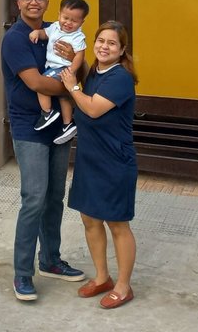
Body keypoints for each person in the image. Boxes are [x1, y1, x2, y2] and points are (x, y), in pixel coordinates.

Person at [1, 0, 86, 301]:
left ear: (48, 3)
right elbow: (36, 82)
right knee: (34, 197)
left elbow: (83, 66)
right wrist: (72, 88)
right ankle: (23, 273)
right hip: (29, 126)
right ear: (18, 3)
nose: (34, 2)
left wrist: (77, 63)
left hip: (58, 128)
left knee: (54, 197)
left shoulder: (59, 30)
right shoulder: (15, 39)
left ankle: (50, 259)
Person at [60, 20, 139, 310]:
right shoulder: (95, 71)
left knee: (117, 223)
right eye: (100, 41)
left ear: (122, 50)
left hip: (115, 162)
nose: (104, 47)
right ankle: (102, 277)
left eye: (112, 43)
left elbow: (92, 109)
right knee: (90, 219)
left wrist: (72, 87)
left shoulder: (120, 77)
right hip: (89, 160)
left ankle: (123, 286)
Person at [28, 0, 89, 144]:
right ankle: (67, 124)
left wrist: (71, 71)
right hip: (55, 68)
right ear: (59, 15)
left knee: (41, 86)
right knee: (64, 96)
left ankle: (47, 112)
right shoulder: (55, 27)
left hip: (62, 68)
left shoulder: (77, 36)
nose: (68, 23)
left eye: (74, 21)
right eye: (65, 18)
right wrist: (37, 32)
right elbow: (45, 33)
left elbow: (79, 56)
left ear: (82, 22)